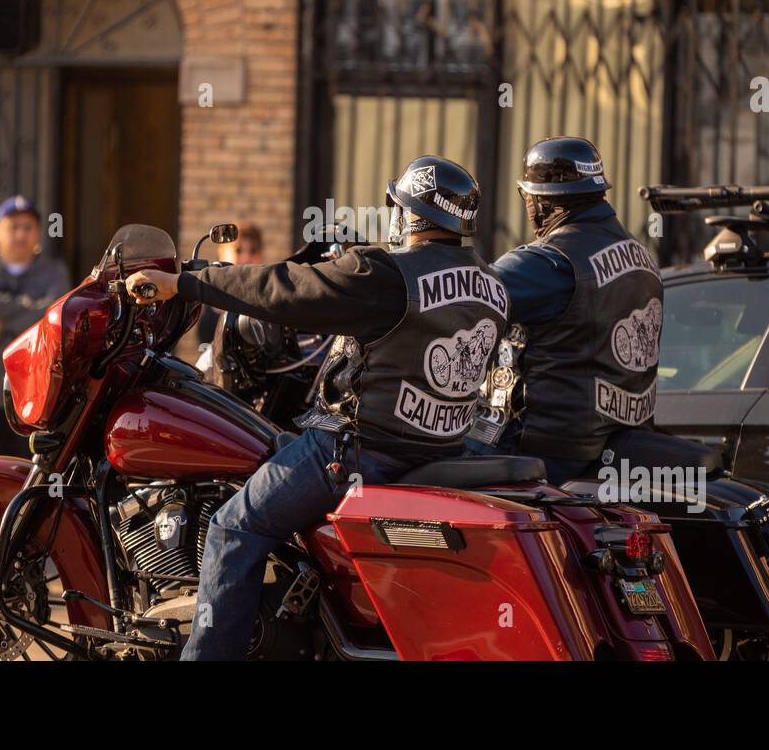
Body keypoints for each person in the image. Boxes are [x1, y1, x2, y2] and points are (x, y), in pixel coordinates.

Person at [125, 156, 508, 660]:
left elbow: (285, 289)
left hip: (357, 451)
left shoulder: (387, 274)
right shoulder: (492, 285)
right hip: (439, 449)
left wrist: (187, 281)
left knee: (233, 526)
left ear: (410, 215)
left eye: (395, 205)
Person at [466, 137, 662, 483]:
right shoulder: (642, 259)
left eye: (526, 197)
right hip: (613, 441)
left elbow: (459, 300)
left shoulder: (549, 262)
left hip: (542, 448)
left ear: (540, 203)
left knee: (414, 475)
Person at [0, 196, 70, 456]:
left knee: (28, 476)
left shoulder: (54, 271)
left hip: (37, 396)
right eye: (13, 226)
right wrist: (31, 311)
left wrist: (0, 318)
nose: (20, 234)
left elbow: (55, 312)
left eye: (28, 227)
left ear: (38, 233)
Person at [195, 223, 264, 346]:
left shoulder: (265, 294)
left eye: (253, 250)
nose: (246, 257)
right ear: (222, 252)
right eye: (238, 250)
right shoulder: (209, 289)